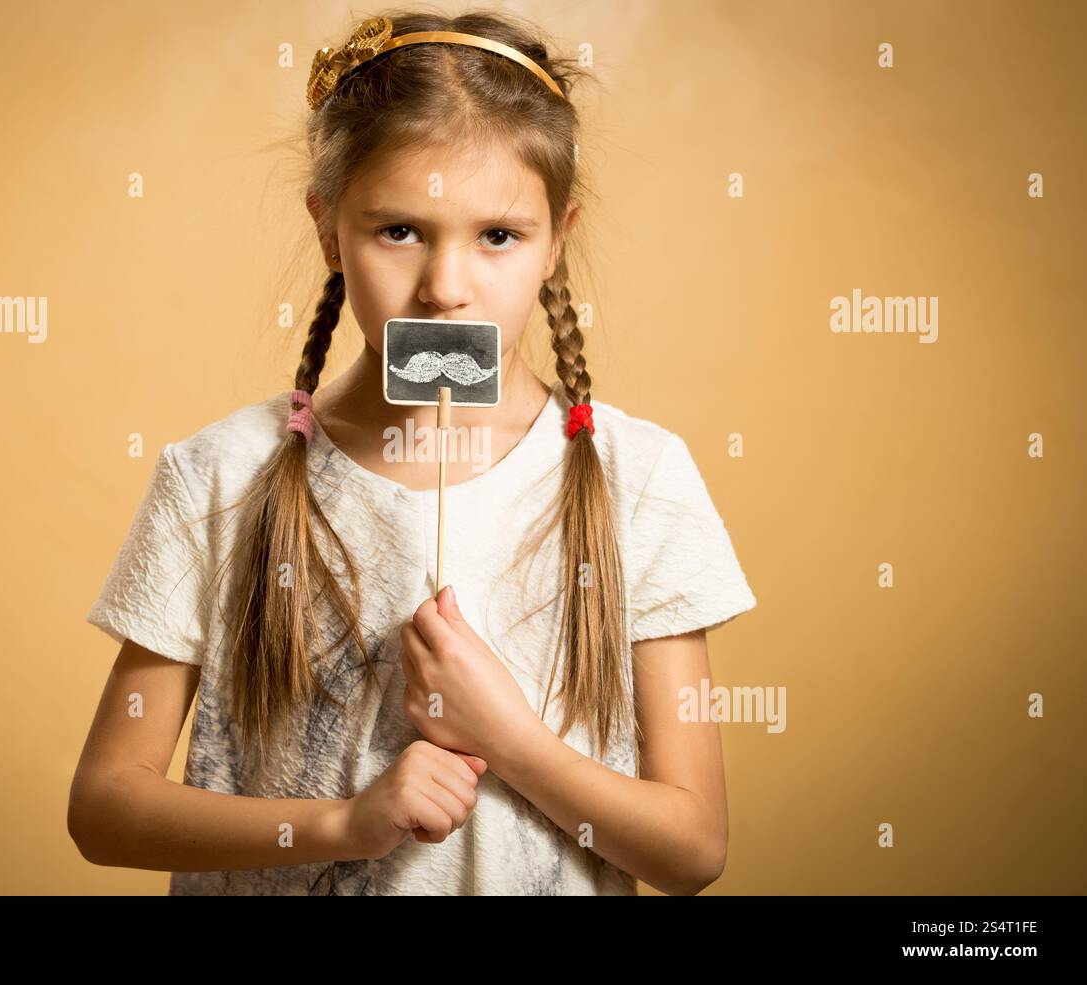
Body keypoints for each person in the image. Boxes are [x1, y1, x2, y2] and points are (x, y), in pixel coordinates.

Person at [68, 8, 757, 896]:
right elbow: (105, 806)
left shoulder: (640, 478)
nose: (445, 286)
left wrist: (508, 737)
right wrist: (342, 823)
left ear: (557, 243)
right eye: (399, 230)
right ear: (328, 228)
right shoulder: (219, 475)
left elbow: (693, 849)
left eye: (498, 236)